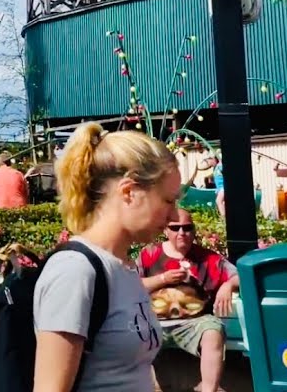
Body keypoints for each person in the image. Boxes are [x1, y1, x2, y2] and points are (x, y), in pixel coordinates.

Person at [33, 122, 180, 392]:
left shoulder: (124, 266)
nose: (174, 216)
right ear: (129, 192)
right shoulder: (74, 272)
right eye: (168, 201)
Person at [137, 209, 238, 392]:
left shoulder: (208, 258)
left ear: (193, 231)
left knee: (213, 330)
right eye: (175, 228)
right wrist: (163, 279)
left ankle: (209, 389)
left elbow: (240, 276)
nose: (182, 233)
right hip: (154, 321)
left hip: (194, 322)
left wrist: (228, 285)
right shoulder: (149, 254)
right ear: (166, 231)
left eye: (187, 228)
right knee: (130, 332)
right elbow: (133, 284)